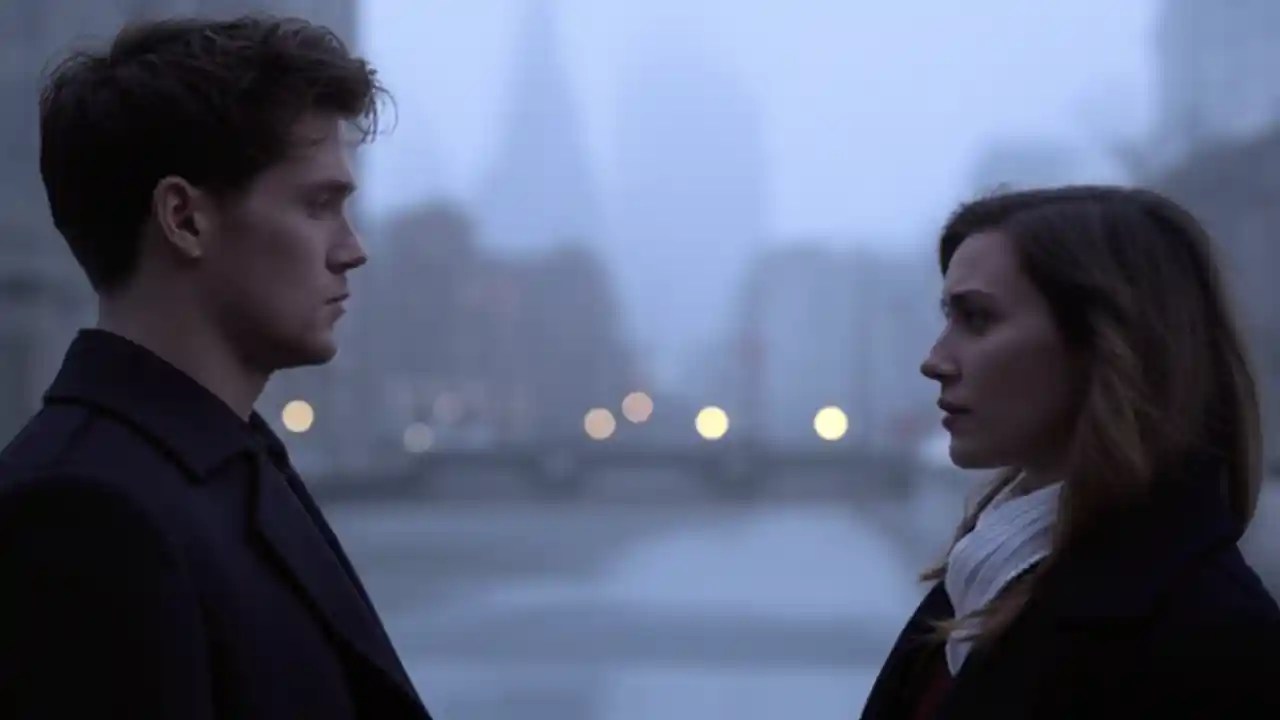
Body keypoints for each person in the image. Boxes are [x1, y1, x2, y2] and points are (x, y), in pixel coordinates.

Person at [0, 15, 431, 719]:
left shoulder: (227, 466)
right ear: (185, 219)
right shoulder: (79, 517)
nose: (353, 249)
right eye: (318, 205)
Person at [859, 186, 1280, 719]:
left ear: (1108, 343)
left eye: (978, 319)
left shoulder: (1213, 639)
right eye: (949, 317)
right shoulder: (985, 579)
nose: (935, 360)